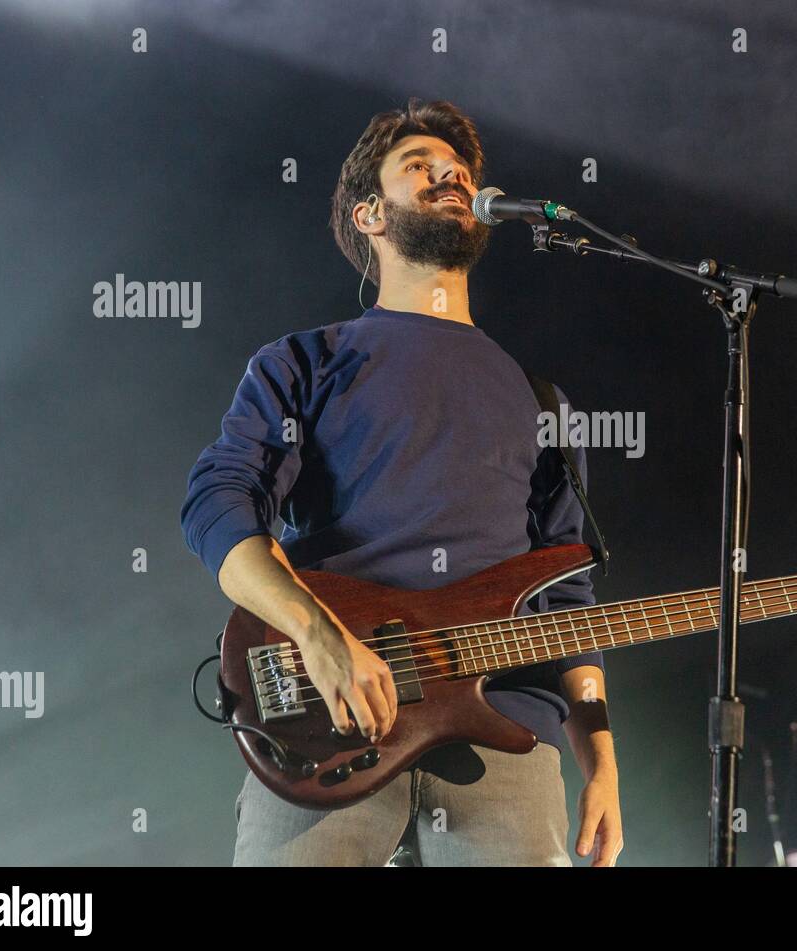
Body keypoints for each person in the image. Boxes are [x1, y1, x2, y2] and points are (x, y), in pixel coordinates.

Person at [179, 97, 623, 866]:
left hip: (507, 740)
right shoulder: (301, 363)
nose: (448, 174)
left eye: (457, 170)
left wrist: (602, 761)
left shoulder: (544, 403)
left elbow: (569, 600)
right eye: (419, 167)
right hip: (329, 722)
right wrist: (319, 634)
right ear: (369, 215)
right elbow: (218, 505)